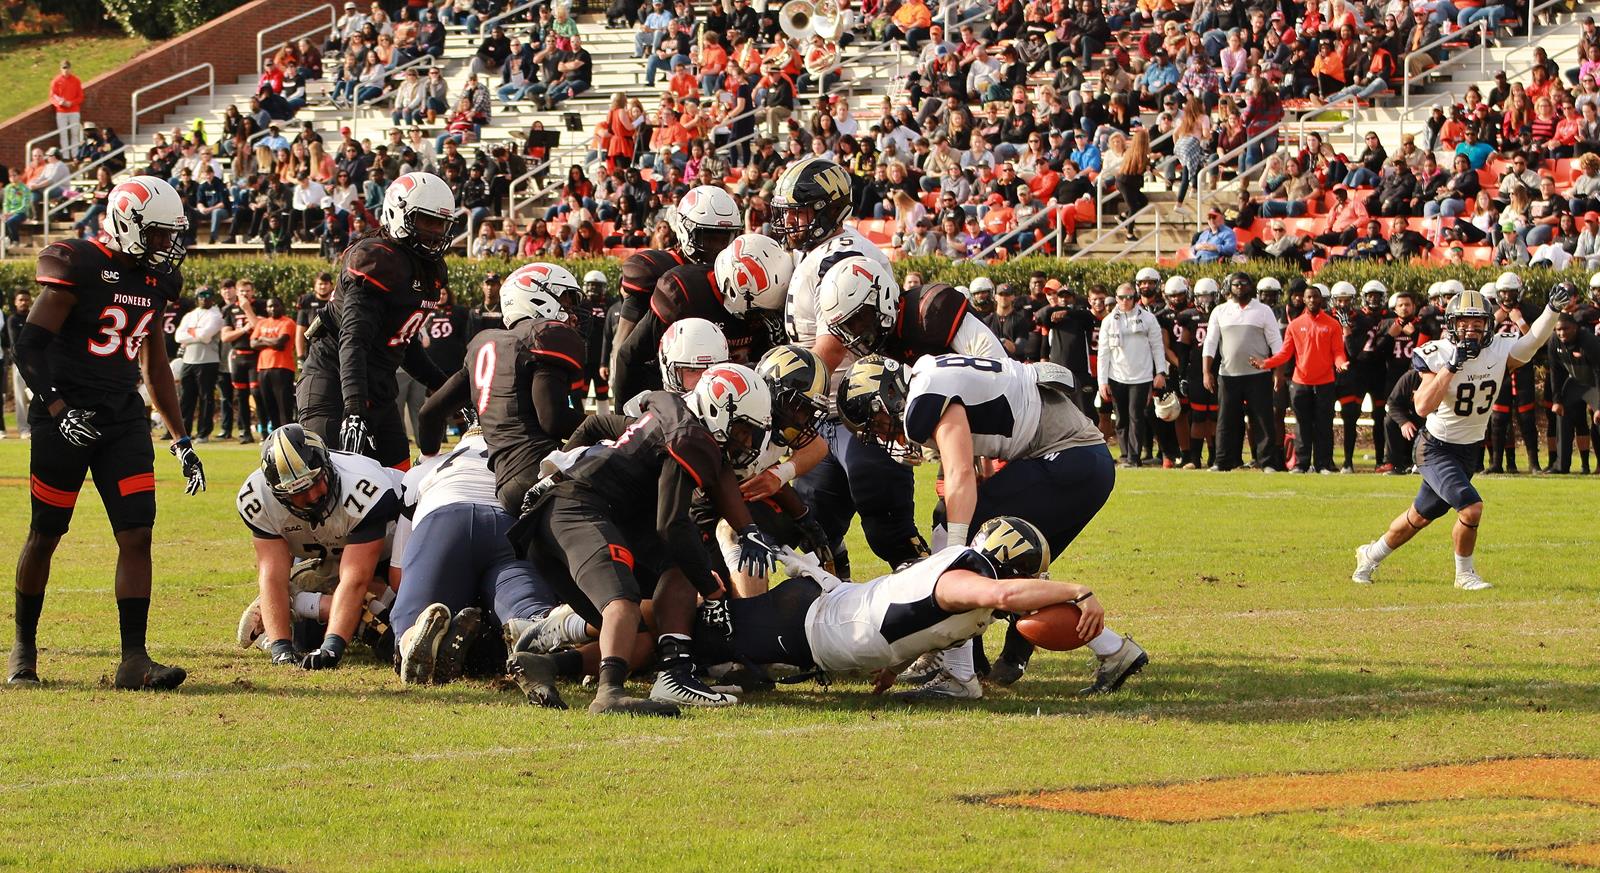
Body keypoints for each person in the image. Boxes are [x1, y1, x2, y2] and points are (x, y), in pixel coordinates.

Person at [841, 355, 1148, 696]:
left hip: (1066, 457)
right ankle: (1113, 650)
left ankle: (956, 673)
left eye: (878, 422)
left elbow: (958, 474)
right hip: (1078, 463)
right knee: (1005, 569)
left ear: (886, 395)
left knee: (959, 544)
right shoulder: (929, 371)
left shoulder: (924, 397)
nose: (885, 432)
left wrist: (953, 554)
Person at [9, 176, 206, 688]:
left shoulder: (158, 282)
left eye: (171, 234)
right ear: (127, 222)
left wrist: (181, 438)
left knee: (138, 531)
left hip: (122, 417)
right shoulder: (78, 262)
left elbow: (155, 363)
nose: (168, 245)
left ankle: (133, 660)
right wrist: (56, 408)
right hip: (66, 417)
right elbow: (28, 347)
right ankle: (24, 649)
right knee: (46, 533)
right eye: (159, 233)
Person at [508, 364, 779, 714]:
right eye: (743, 431)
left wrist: (747, 530)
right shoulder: (689, 436)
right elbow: (671, 525)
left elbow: (718, 476)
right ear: (718, 408)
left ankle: (548, 664)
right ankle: (610, 694)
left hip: (574, 514)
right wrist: (710, 590)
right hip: (581, 509)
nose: (745, 443)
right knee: (624, 600)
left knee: (641, 637)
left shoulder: (672, 414)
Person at [1353, 285, 1570, 591]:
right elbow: (1422, 405)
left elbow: (1532, 342)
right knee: (1471, 508)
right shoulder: (1436, 353)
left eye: (1477, 323)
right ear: (1451, 325)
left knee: (1418, 517)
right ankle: (1464, 575)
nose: (1471, 330)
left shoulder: (1498, 350)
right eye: (1464, 323)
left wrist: (1551, 310)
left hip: (1469, 450)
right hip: (1435, 448)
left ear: (1489, 325)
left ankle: (1369, 554)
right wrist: (1452, 366)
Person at [297, 171, 457, 468]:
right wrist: (354, 410)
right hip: (334, 381)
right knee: (333, 488)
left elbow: (403, 344)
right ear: (399, 213)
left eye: (441, 224)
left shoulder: (426, 268)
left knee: (398, 491)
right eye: (427, 221)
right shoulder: (375, 259)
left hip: (380, 388)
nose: (436, 231)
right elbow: (353, 340)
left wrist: (453, 394)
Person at [393, 429, 565, 687]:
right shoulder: (528, 456)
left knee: (414, 614)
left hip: (444, 521)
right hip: (510, 528)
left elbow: (398, 570)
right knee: (526, 607)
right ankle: (533, 630)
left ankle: (412, 640)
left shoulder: (426, 468)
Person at [417, 263, 586, 515]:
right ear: (538, 296)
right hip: (539, 471)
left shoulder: (486, 343)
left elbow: (429, 412)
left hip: (504, 483)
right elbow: (553, 420)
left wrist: (427, 458)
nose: (570, 308)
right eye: (564, 298)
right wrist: (608, 427)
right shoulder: (541, 337)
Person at [237, 425, 402, 669]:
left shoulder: (363, 488)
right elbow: (272, 576)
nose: (313, 496)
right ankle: (299, 603)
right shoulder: (258, 499)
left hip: (391, 552)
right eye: (298, 493)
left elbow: (355, 579)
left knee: (393, 628)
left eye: (315, 482)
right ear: (277, 494)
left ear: (327, 468)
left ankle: (299, 600)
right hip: (332, 557)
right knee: (306, 639)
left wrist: (332, 648)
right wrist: (281, 648)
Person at [1252, 284, 1349, 474]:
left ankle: (1323, 464)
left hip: (1325, 382)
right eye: (1309, 297)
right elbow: (1285, 354)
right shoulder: (1295, 325)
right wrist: (1266, 363)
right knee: (1301, 424)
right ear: (1304, 300)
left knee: (1324, 424)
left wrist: (1341, 363)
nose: (1312, 300)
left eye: (1315, 297)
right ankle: (1301, 464)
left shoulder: (1332, 324)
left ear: (1321, 300)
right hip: (1301, 383)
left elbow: (1338, 352)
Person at [1203, 272, 1284, 472]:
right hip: (1229, 375)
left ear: (1251, 286)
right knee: (1226, 420)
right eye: (1236, 284)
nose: (1240, 288)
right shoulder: (1220, 311)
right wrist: (1207, 371)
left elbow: (1276, 343)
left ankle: (1266, 462)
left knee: (1263, 419)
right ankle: (1223, 461)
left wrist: (1277, 371)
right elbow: (1210, 343)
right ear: (1229, 287)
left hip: (1258, 375)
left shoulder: (1263, 310)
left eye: (1244, 284)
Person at [1097, 284, 1167, 467]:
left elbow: (1157, 347)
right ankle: (1125, 453)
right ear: (1116, 298)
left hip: (1141, 376)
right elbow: (1103, 353)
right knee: (1121, 418)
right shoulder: (1109, 320)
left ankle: (1134, 457)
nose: (1126, 301)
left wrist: (1160, 372)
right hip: (1117, 375)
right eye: (1122, 297)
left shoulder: (1148, 318)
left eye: (1129, 297)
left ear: (1135, 298)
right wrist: (1102, 381)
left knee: (1136, 415)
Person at [1548, 312, 1600, 473]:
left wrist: (1599, 406)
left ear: (1576, 328)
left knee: (1599, 420)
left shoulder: (1589, 341)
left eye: (1566, 328)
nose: (1562, 333)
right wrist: (1557, 400)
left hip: (1594, 383)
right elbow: (1555, 372)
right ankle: (1561, 466)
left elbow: (1599, 371)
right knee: (1562, 414)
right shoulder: (1554, 340)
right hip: (1575, 382)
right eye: (1558, 329)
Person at [176, 287, 225, 440]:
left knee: (206, 397)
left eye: (208, 295)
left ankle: (203, 433)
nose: (204, 298)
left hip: (207, 361)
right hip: (188, 360)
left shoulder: (216, 315)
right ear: (197, 298)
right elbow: (178, 336)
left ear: (213, 298)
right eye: (201, 295)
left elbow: (206, 336)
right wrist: (196, 333)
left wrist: (191, 332)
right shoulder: (190, 315)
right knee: (186, 398)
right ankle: (184, 432)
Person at [220, 280, 264, 444]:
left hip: (255, 355)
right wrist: (244, 330)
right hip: (238, 356)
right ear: (237, 292)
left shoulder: (260, 305)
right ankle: (245, 431)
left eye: (247, 291)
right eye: (242, 291)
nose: (245, 294)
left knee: (258, 394)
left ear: (253, 292)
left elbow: (259, 327)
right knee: (241, 396)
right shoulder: (230, 310)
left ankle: (265, 431)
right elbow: (225, 337)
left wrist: (247, 309)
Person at [251, 297, 298, 433]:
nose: (272, 309)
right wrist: (271, 341)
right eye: (270, 306)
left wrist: (263, 339)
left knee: (284, 406)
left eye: (275, 306)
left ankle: (288, 436)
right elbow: (253, 344)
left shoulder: (288, 322)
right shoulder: (262, 323)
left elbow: (280, 343)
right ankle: (275, 435)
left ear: (281, 307)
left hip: (282, 368)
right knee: (269, 405)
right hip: (263, 368)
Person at [49, 60, 84, 153]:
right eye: (64, 68)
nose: (66, 70)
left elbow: (80, 97)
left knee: (74, 133)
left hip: (74, 110)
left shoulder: (76, 80)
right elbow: (52, 96)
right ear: (60, 69)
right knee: (63, 134)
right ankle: (65, 155)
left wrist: (71, 103)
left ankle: (75, 154)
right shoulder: (56, 81)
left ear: (70, 68)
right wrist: (59, 103)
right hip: (61, 111)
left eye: (67, 67)